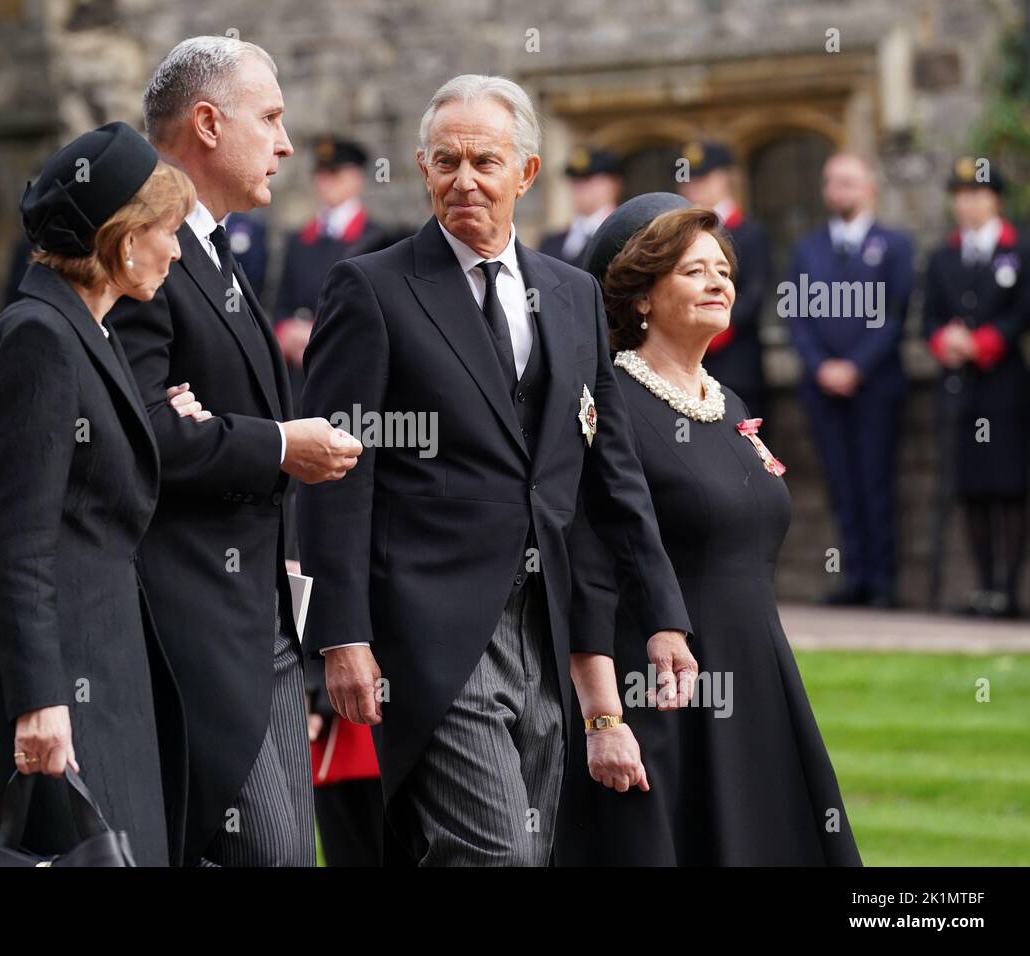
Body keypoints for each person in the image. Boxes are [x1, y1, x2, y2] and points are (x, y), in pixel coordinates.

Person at [298, 75, 694, 867]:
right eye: (445, 161)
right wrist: (341, 636)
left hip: (545, 628)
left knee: (525, 851)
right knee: (496, 856)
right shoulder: (371, 289)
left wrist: (663, 613)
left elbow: (610, 472)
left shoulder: (573, 295)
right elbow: (337, 473)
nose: (464, 180)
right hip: (427, 629)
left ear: (527, 172)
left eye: (484, 160)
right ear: (421, 168)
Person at [108, 36, 363, 868]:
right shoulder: (147, 253)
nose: (287, 144)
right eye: (272, 118)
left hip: (259, 618)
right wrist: (280, 443)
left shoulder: (216, 249)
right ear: (209, 124)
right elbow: (140, 431)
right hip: (191, 623)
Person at [555, 194, 862, 866]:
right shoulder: (606, 409)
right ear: (640, 294)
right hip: (660, 692)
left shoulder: (733, 408)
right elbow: (588, 573)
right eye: (694, 271)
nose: (719, 280)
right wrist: (604, 720)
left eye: (722, 268)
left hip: (757, 682)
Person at [0, 122, 197, 866]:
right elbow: (15, 543)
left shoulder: (85, 331)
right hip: (62, 692)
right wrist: (41, 701)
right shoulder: (38, 338)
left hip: (102, 675)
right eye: (167, 230)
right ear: (121, 236)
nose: (176, 250)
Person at [789, 153, 913, 608]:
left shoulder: (895, 245)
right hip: (821, 389)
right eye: (831, 182)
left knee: (875, 481)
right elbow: (797, 318)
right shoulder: (808, 249)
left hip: (875, 386)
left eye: (847, 182)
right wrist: (821, 365)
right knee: (839, 483)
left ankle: (883, 581)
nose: (838, 190)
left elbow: (895, 317)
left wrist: (855, 367)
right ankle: (852, 577)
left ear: (869, 188)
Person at [923, 158, 1030, 619]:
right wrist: (944, 341)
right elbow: (929, 316)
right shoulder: (943, 256)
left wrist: (983, 342)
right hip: (959, 389)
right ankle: (985, 585)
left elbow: (1023, 311)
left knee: (1007, 486)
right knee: (971, 488)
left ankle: (1009, 587)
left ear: (995, 199)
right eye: (959, 194)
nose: (966, 203)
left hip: (1004, 387)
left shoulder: (1020, 250)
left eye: (976, 193)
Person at [274, 136, 384, 407]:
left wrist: (316, 338)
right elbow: (281, 301)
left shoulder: (375, 240)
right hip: (297, 374)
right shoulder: (298, 240)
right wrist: (286, 334)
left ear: (356, 178)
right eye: (320, 174)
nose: (325, 182)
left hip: (345, 371)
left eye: (334, 174)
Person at [677, 140, 771, 417]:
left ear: (725, 178)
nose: (694, 186)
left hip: (734, 362)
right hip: (687, 361)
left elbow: (753, 296)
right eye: (688, 179)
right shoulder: (679, 237)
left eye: (703, 178)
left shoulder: (750, 233)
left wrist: (707, 330)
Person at [539, 145, 622, 267]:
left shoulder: (626, 238)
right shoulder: (551, 242)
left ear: (613, 184)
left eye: (588, 179)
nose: (580, 187)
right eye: (575, 180)